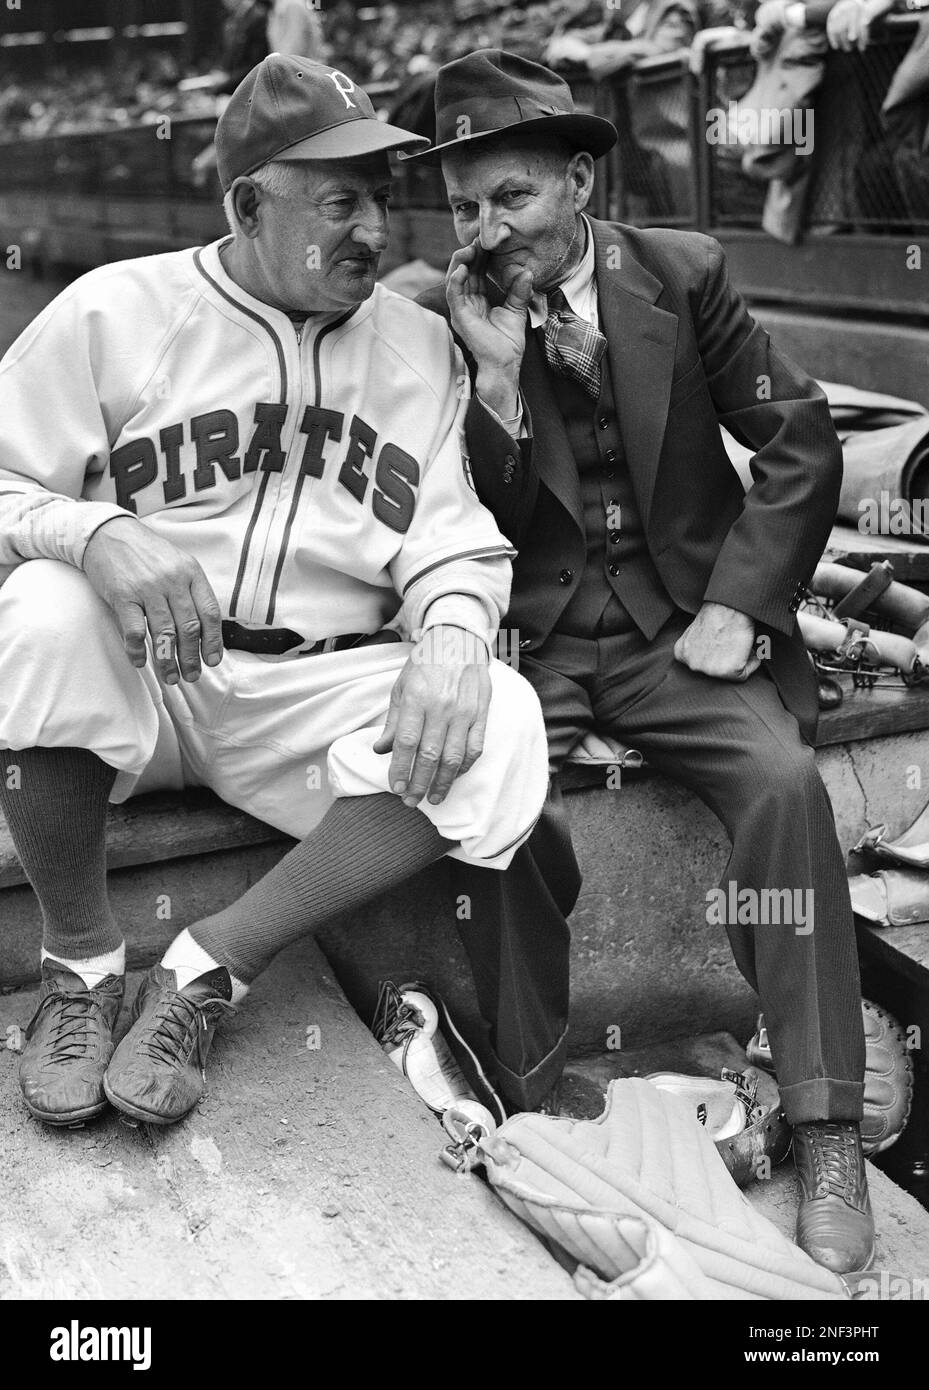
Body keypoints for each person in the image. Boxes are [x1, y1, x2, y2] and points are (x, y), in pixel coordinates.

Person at [0, 56, 549, 1131]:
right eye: (340, 200)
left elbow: (452, 538)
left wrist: (449, 630)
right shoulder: (115, 310)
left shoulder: (414, 344)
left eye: (383, 199)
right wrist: (95, 527)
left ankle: (206, 970)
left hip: (304, 703)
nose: (376, 230)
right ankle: (81, 962)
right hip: (144, 677)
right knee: (42, 609)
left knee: (504, 712)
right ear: (248, 204)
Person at [411, 48, 872, 1275]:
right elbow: (469, 520)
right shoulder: (437, 314)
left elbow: (796, 436)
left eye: (508, 197)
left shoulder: (681, 272)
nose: (483, 228)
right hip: (542, 635)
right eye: (462, 205)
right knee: (488, 799)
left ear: (573, 181)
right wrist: (495, 380)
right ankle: (531, 1092)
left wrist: (741, 601)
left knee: (779, 785)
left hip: (681, 628)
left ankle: (826, 1119)